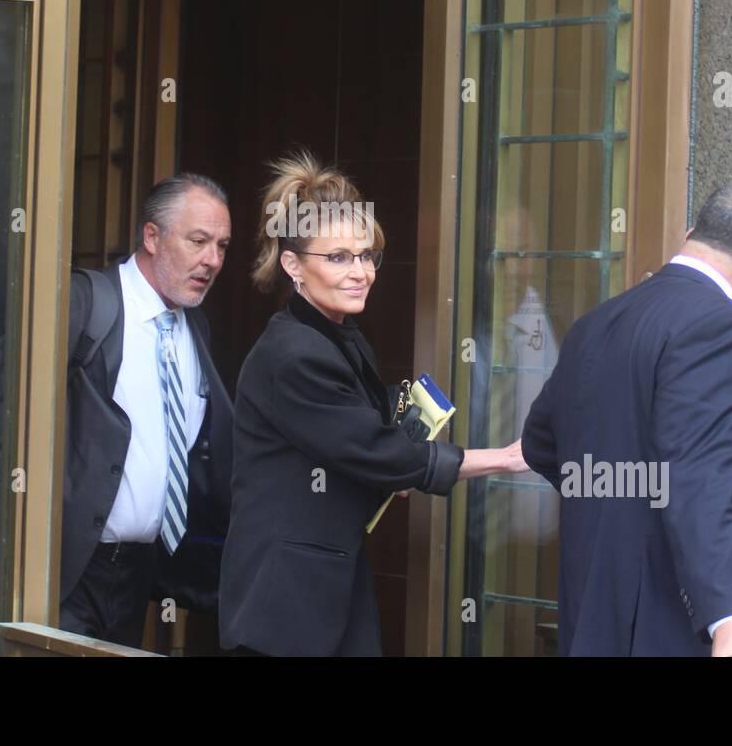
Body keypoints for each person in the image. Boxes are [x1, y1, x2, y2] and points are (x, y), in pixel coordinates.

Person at [219, 152, 528, 656]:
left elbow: (357, 446)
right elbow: (375, 448)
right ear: (293, 265)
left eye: (366, 256)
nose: (360, 271)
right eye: (338, 257)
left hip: (323, 585)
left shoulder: (337, 337)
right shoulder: (296, 352)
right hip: (285, 608)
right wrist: (504, 459)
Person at [522, 180, 732, 656]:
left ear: (690, 233)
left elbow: (540, 444)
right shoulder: (720, 325)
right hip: (679, 625)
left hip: (598, 616)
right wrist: (727, 615)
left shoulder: (598, 322)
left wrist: (626, 499)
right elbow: (696, 478)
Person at [60, 174, 235, 646]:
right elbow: (9, 412)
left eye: (221, 245)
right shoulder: (85, 303)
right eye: (198, 241)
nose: (212, 260)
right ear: (152, 237)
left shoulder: (195, 327)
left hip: (139, 573)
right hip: (66, 566)